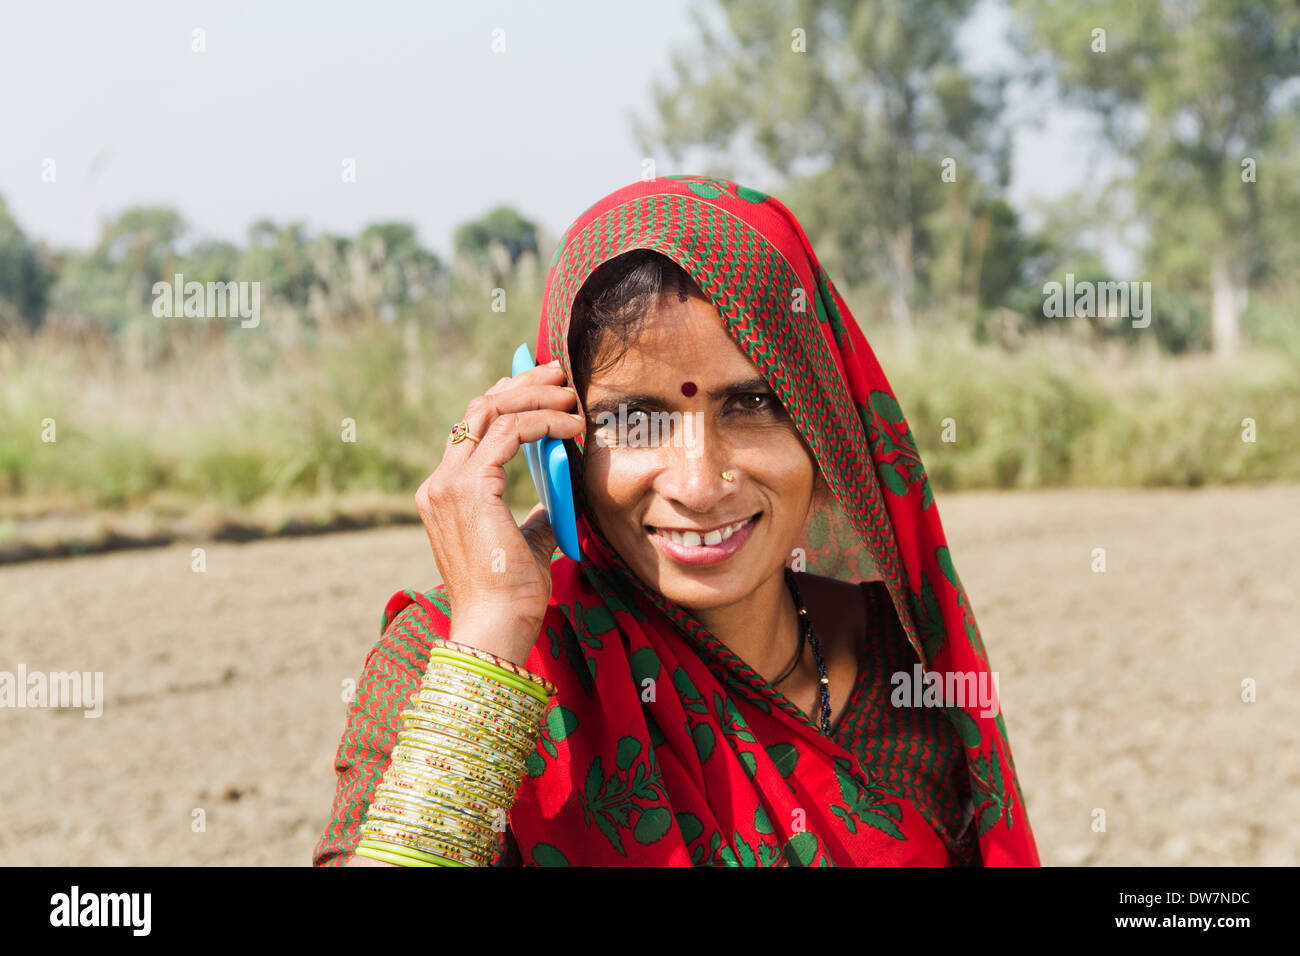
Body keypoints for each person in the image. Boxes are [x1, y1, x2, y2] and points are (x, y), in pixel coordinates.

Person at [313, 175, 1040, 866]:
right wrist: (495, 620)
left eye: (753, 404)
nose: (698, 483)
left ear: (829, 435)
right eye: (634, 419)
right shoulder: (456, 660)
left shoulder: (903, 659)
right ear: (560, 450)